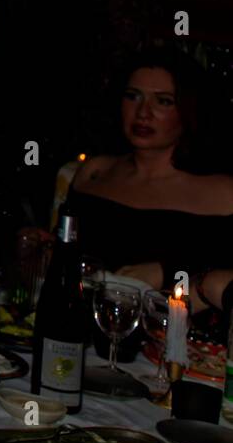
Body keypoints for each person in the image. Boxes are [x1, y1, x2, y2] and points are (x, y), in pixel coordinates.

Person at [61, 47, 233, 290]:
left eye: (163, 101)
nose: (143, 113)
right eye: (133, 96)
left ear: (188, 110)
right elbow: (68, 255)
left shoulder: (223, 192)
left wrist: (168, 271)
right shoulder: (96, 171)